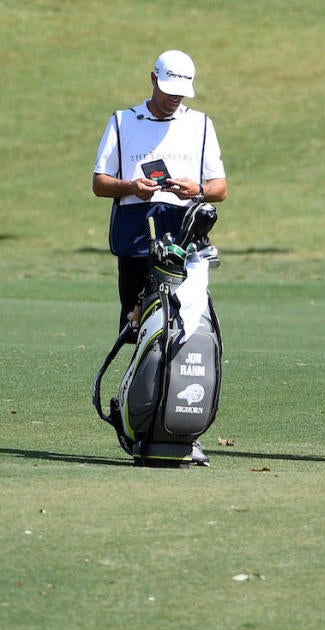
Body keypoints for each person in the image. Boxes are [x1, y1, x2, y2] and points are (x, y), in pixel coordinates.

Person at [92, 50, 228, 466]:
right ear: (153, 79)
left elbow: (220, 187)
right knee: (138, 332)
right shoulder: (122, 121)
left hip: (185, 242)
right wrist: (130, 185)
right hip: (137, 240)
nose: (175, 99)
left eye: (182, 92)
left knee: (184, 331)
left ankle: (179, 428)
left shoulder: (201, 124)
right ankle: (138, 423)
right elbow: (100, 183)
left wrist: (196, 191)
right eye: (169, 90)